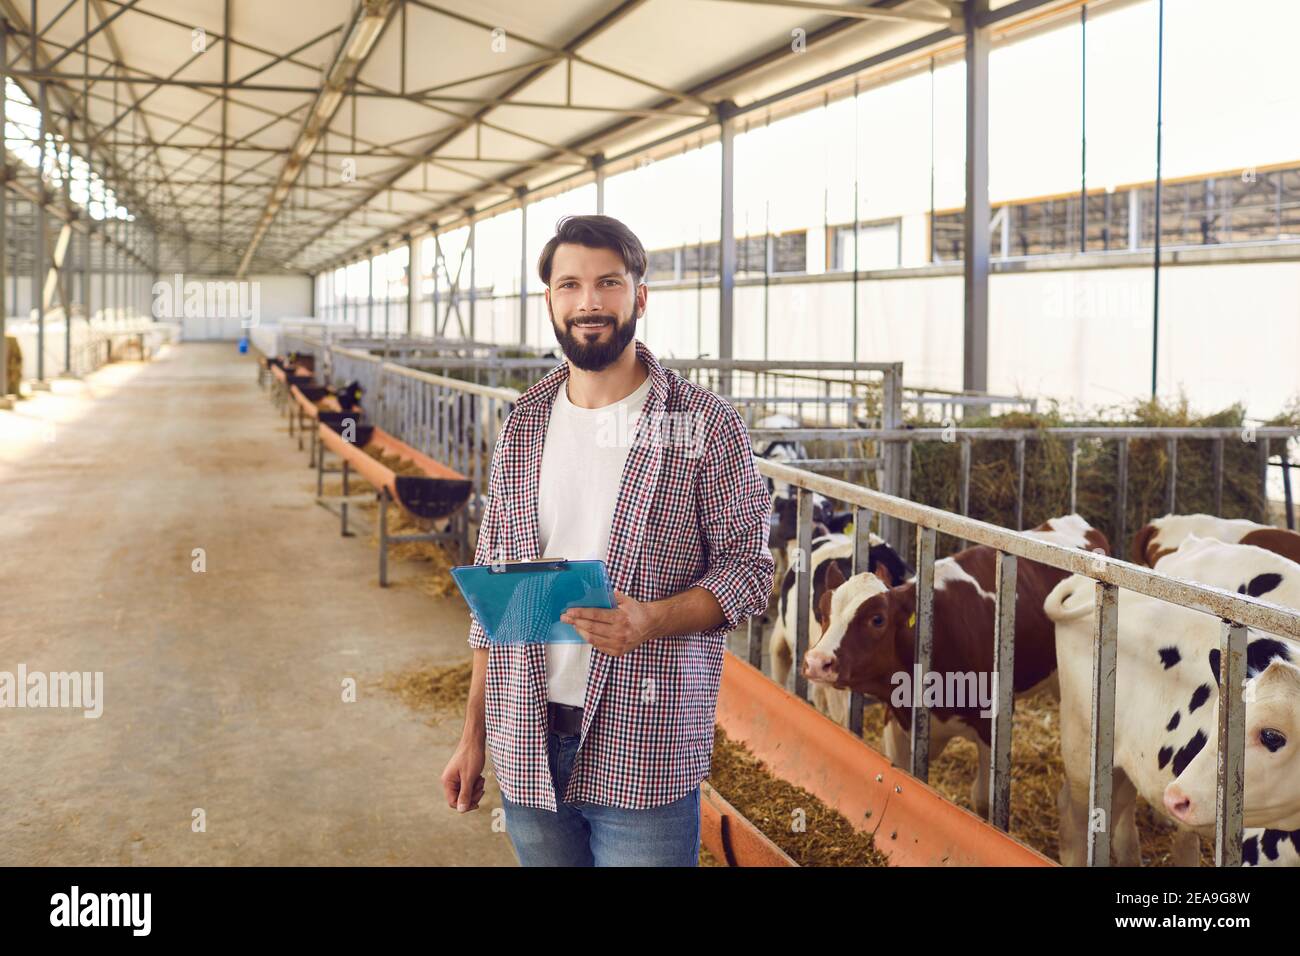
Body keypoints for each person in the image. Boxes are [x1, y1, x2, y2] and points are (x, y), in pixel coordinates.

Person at [440, 214, 774, 866]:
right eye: (569, 285)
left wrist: (650, 620)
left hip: (642, 747)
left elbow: (749, 569)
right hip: (525, 737)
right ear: (550, 301)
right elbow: (497, 590)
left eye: (608, 283)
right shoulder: (525, 423)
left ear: (639, 296)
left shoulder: (704, 424)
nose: (588, 302)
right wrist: (471, 734)